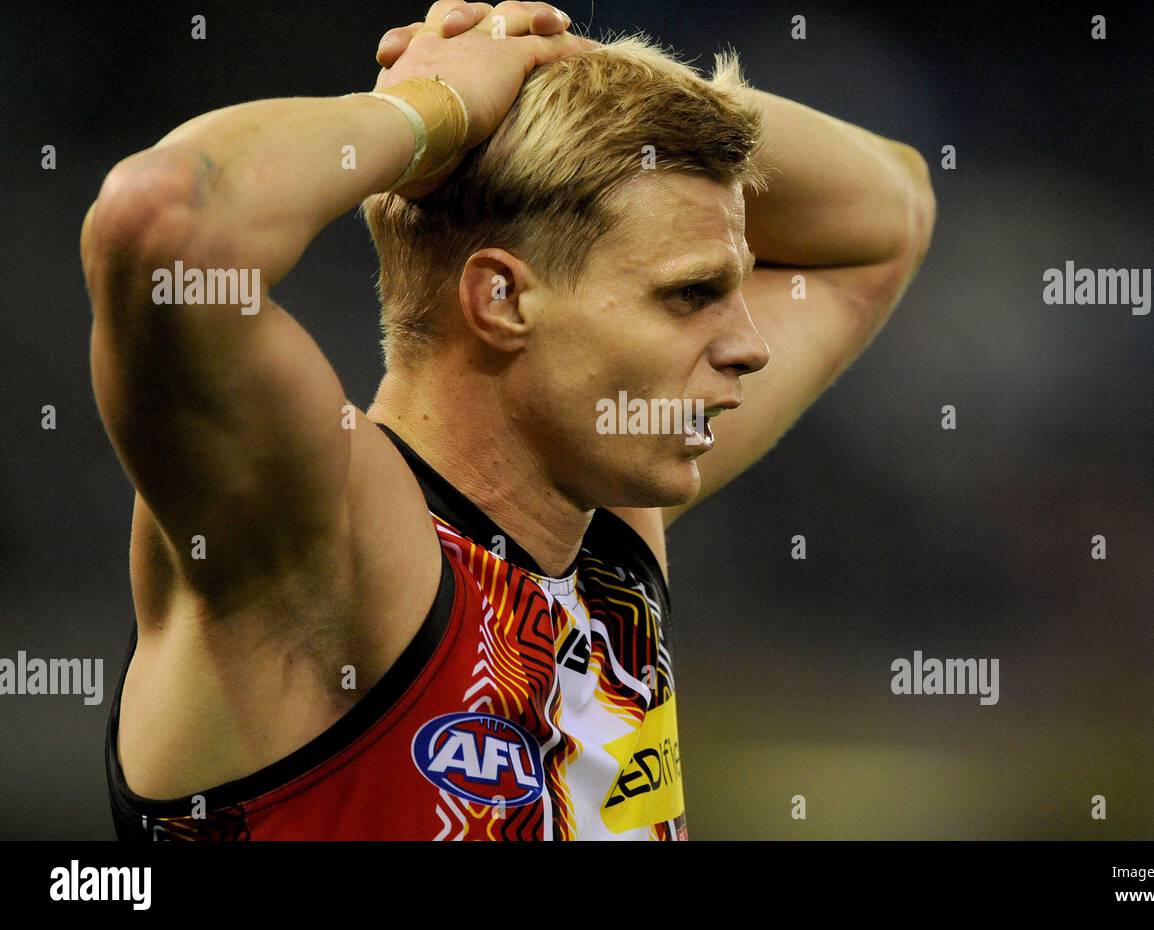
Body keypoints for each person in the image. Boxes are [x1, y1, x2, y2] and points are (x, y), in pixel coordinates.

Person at [82, 0, 935, 840]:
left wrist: (563, 69)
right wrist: (426, 112)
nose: (749, 344)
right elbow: (163, 223)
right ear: (502, 298)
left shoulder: (602, 524)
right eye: (691, 294)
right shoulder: (329, 548)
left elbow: (889, 216)